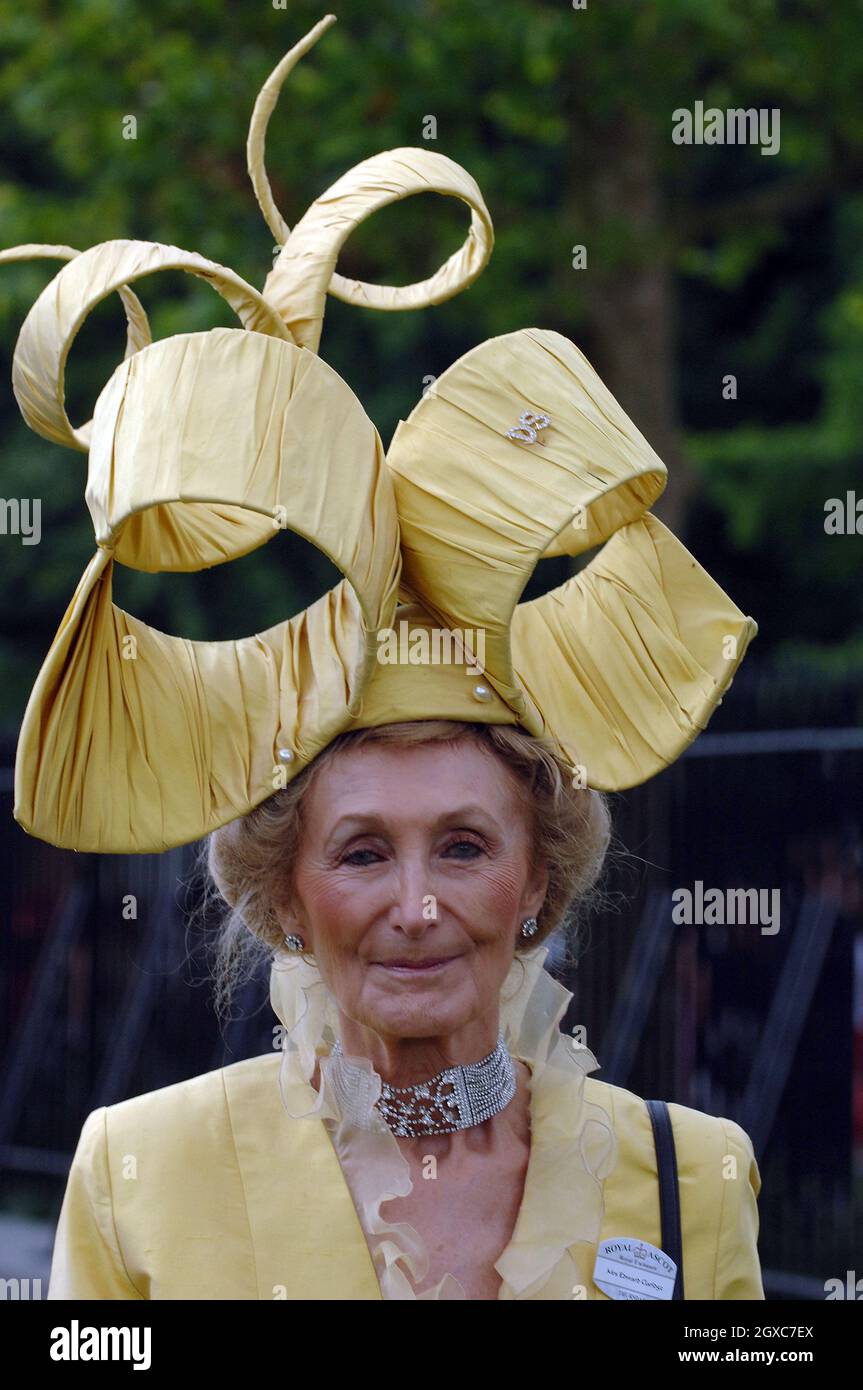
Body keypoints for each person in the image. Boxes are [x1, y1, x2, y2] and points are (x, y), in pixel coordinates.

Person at [3, 15, 762, 1300]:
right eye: (362, 850)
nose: (417, 904)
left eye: (462, 843)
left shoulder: (693, 1179)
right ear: (283, 894)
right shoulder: (138, 1169)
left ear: (537, 876)